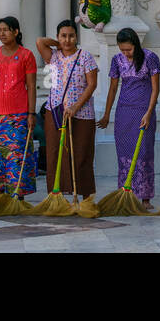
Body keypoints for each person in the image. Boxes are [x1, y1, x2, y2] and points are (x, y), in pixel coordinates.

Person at [98, 26, 160, 209]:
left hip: (143, 111)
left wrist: (149, 112)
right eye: (122, 49)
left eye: (129, 49)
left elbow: (155, 88)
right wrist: (107, 114)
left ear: (136, 45)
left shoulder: (150, 58)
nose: (126, 53)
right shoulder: (117, 60)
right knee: (124, 154)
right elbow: (113, 88)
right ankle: (127, 194)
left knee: (144, 152)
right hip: (124, 112)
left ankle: (145, 197)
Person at [35, 20, 98, 198]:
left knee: (81, 153)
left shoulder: (85, 56)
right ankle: (57, 195)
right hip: (55, 112)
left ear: (77, 37)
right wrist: (59, 45)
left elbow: (92, 85)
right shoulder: (54, 56)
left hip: (82, 113)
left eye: (71, 36)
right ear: (57, 37)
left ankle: (85, 196)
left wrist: (75, 107)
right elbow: (40, 41)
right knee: (55, 153)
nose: (68, 39)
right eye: (63, 36)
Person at [0, 16, 38, 198]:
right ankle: (1, 198)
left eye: (6, 29)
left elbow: (31, 86)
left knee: (17, 157)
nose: (2, 33)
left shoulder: (26, 55)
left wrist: (31, 113)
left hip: (19, 115)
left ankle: (18, 196)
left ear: (16, 32)